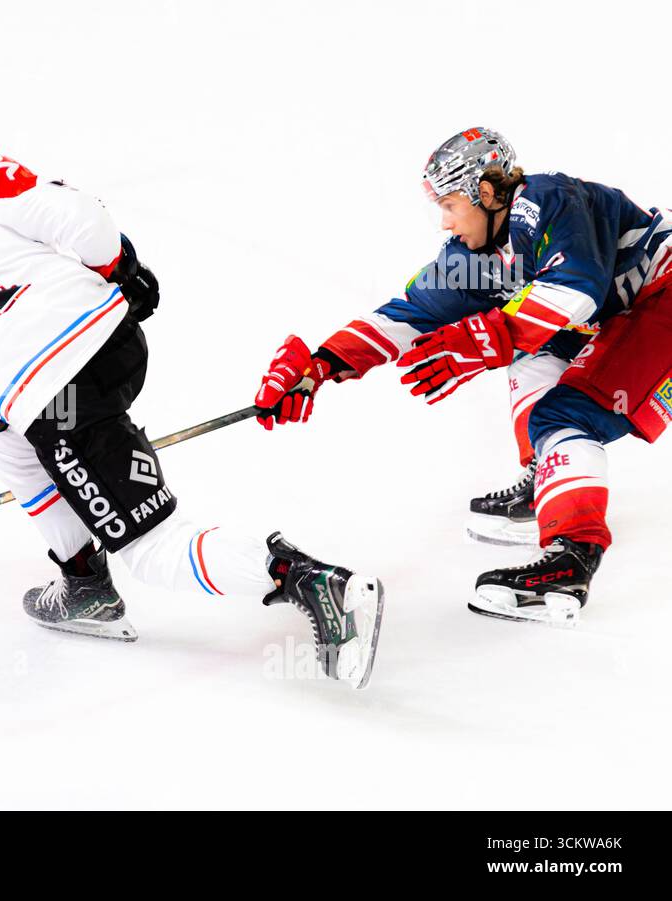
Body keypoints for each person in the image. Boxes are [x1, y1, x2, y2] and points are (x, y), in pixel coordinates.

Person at [0, 107, 383, 686]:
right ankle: (84, 582)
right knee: (0, 439)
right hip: (108, 342)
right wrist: (123, 267)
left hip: (55, 392)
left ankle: (312, 582)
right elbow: (79, 218)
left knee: (154, 552)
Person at [253, 127, 672, 626]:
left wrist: (486, 337)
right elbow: (408, 314)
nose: (445, 222)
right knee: (532, 360)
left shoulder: (548, 199)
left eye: (451, 204)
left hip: (660, 297)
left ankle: (571, 560)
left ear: (488, 192)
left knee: (569, 415)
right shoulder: (473, 257)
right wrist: (321, 363)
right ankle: (550, 477)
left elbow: (576, 290)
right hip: (619, 310)